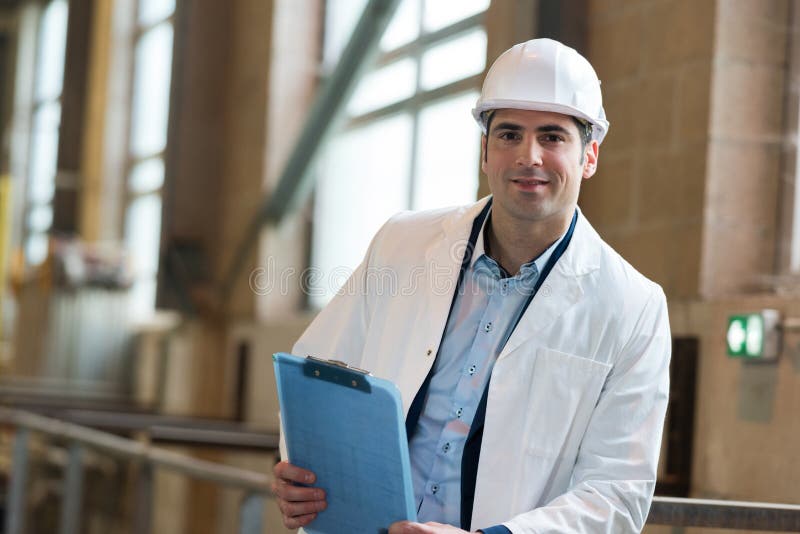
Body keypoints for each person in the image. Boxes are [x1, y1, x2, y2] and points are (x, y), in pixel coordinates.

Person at [272, 38, 671, 533]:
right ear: (485, 150)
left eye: (552, 136)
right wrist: (301, 471)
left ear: (589, 155)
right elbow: (318, 376)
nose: (529, 156)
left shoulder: (634, 307)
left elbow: (617, 494)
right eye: (508, 135)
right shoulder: (402, 243)